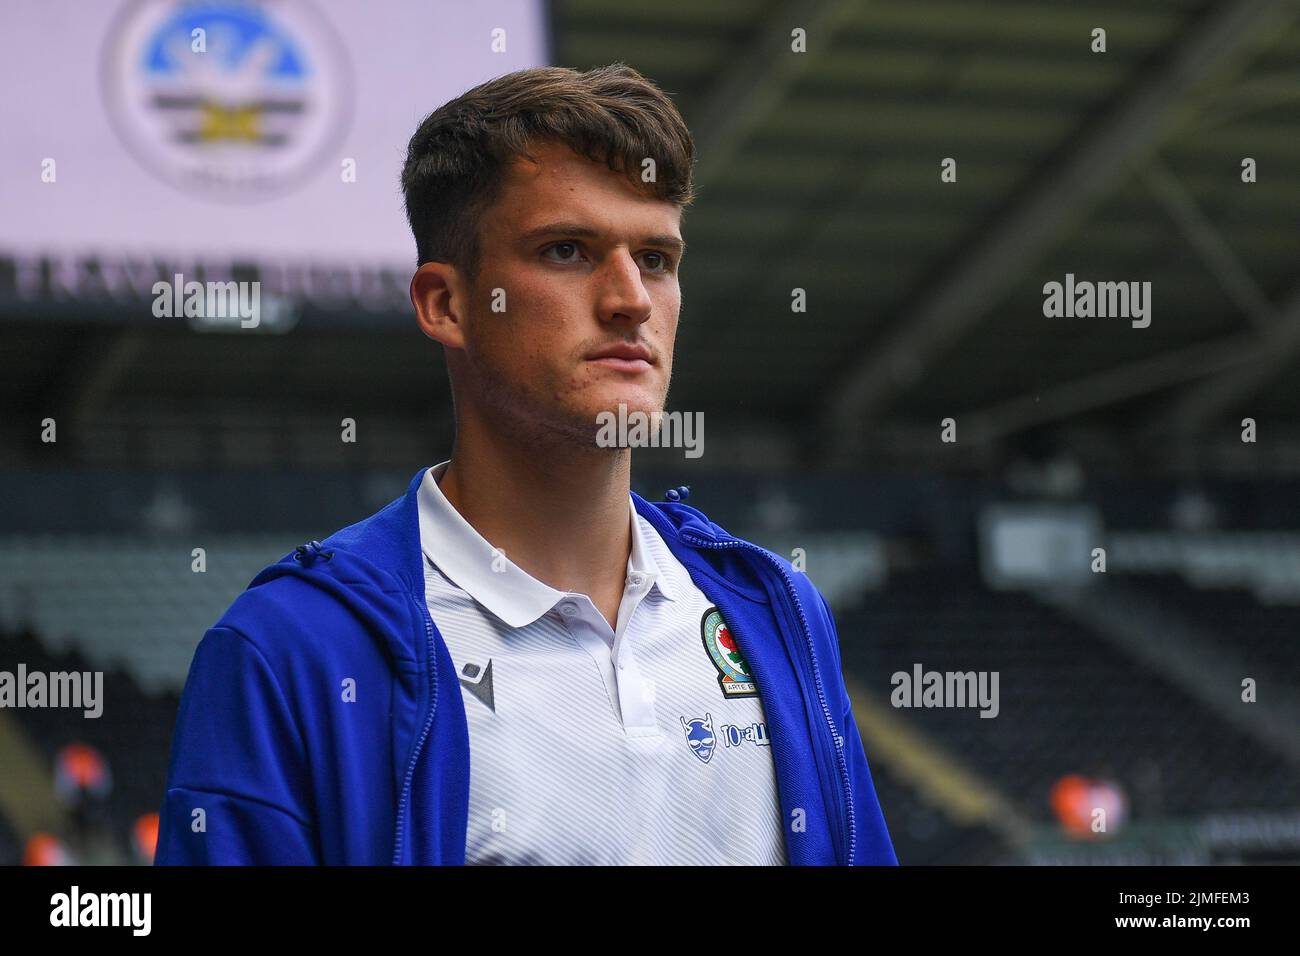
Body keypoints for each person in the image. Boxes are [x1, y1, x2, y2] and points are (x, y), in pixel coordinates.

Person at [155, 63, 897, 866]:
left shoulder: (775, 613)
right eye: (569, 250)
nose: (630, 300)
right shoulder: (293, 649)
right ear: (446, 303)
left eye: (655, 258)